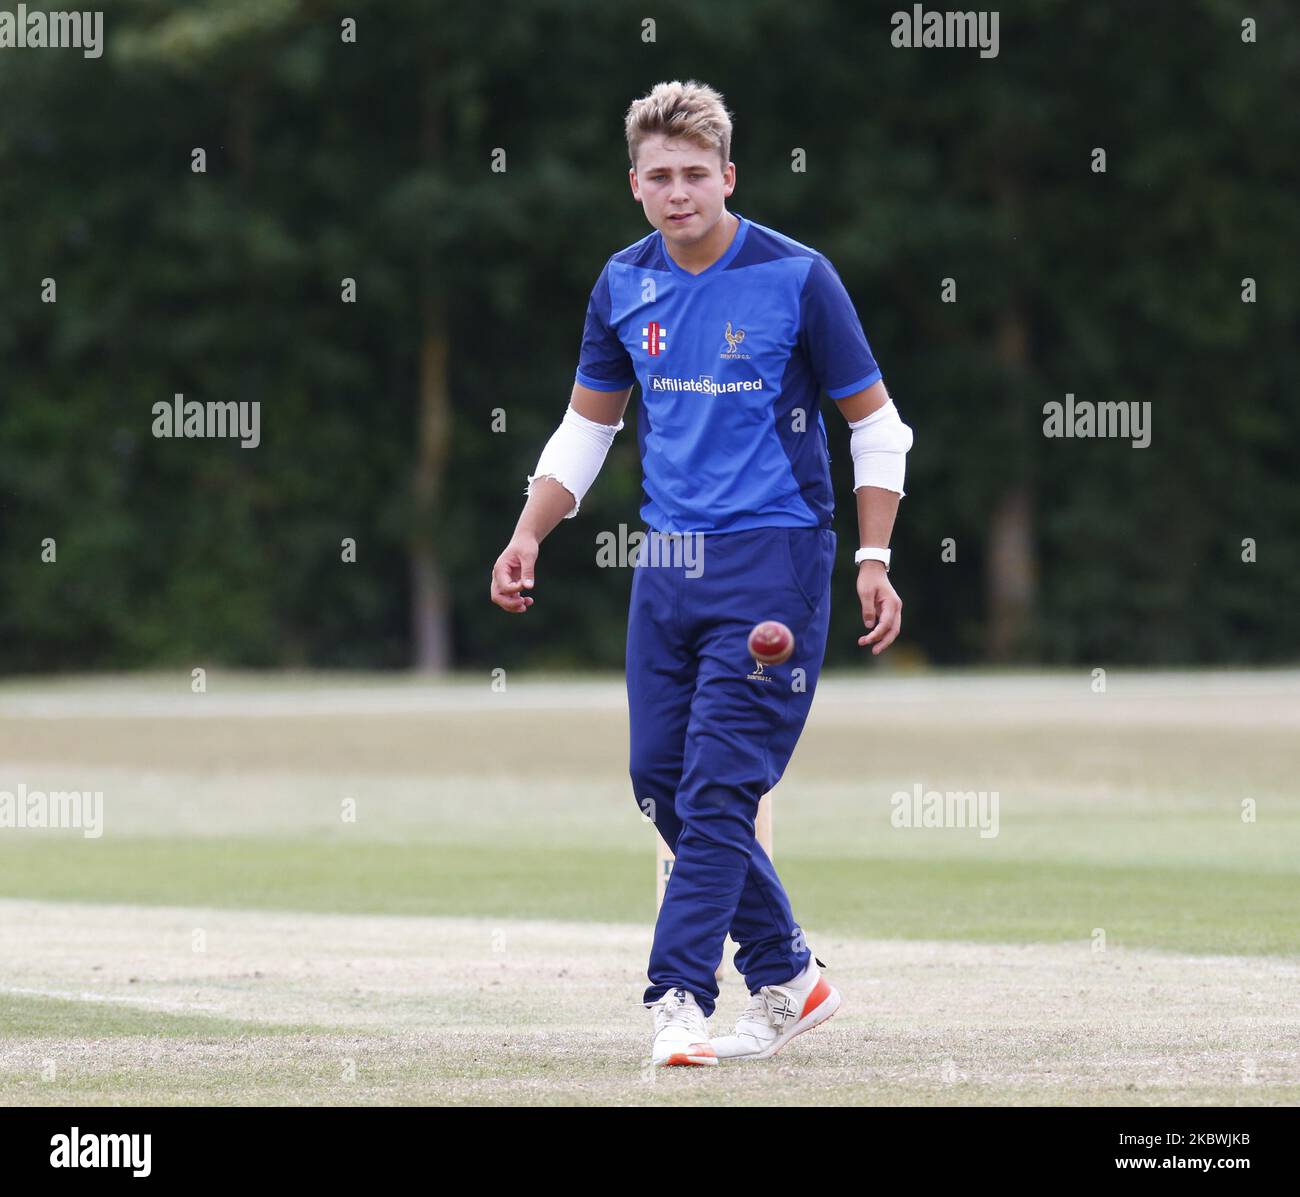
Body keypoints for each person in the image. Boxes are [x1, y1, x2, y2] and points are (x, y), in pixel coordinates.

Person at [490, 79, 913, 1067]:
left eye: (694, 174)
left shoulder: (798, 276)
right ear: (634, 185)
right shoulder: (621, 283)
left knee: (721, 790)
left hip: (776, 557)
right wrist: (528, 532)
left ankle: (678, 999)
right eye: (658, 176)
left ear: (727, 177)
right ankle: (792, 976)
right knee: (661, 783)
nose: (677, 192)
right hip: (665, 565)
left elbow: (877, 428)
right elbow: (588, 429)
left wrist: (874, 557)